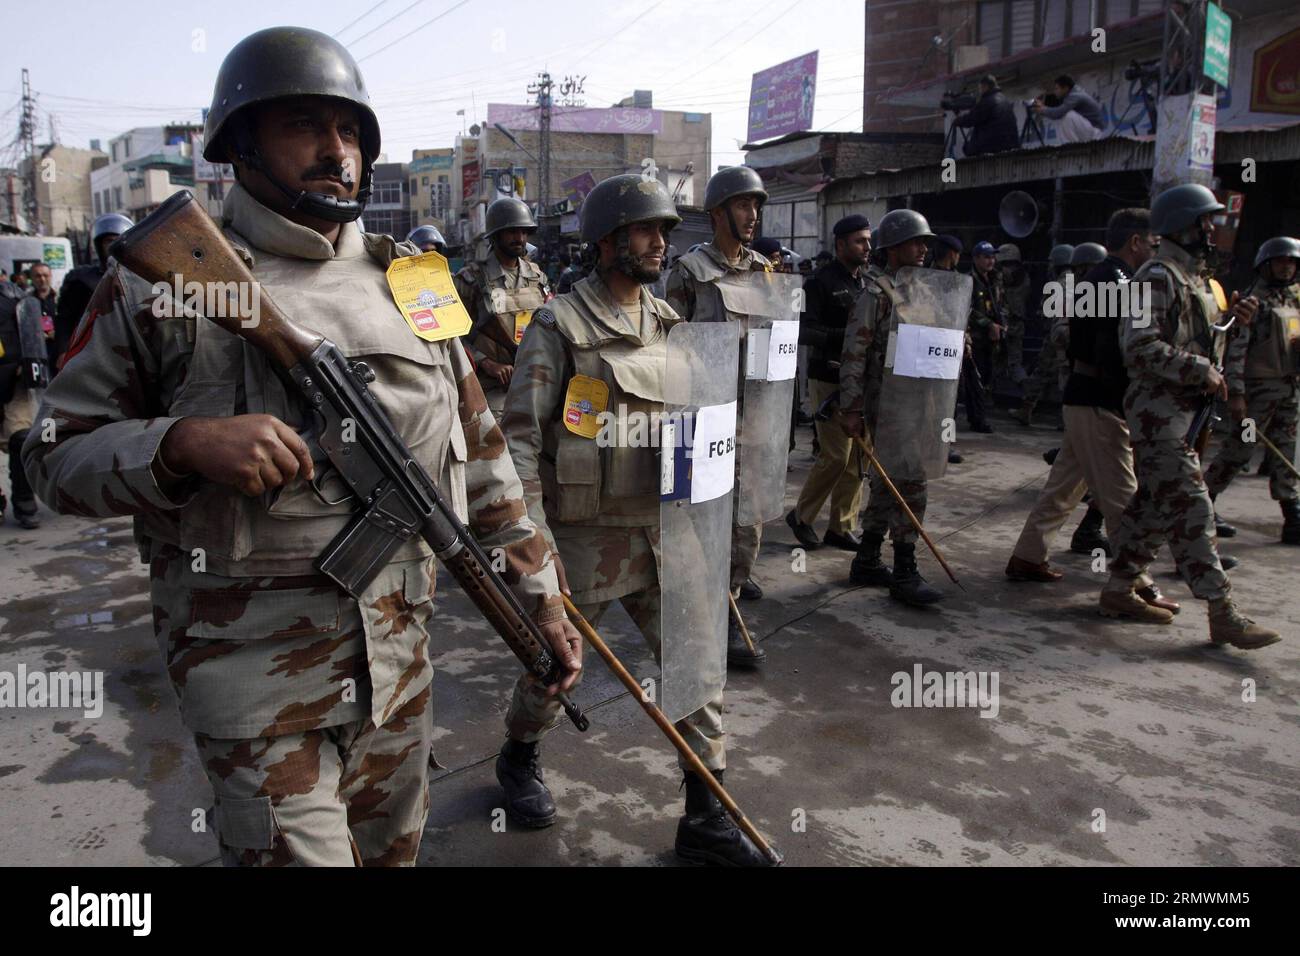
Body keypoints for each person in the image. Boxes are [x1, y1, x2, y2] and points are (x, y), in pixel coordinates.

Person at [22, 25, 580, 866]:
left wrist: (541, 593)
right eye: (303, 126)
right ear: (240, 144)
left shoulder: (416, 280)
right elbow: (52, 456)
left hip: (400, 677)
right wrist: (181, 445)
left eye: (350, 130)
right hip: (255, 688)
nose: (335, 151)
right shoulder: (156, 285)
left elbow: (486, 453)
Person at [494, 172, 775, 865]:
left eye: (664, 231)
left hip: (664, 531)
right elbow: (519, 444)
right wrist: (535, 544)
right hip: (585, 538)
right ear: (609, 240)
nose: (660, 243)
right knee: (554, 669)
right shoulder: (560, 326)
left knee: (696, 666)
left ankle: (705, 813)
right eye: (647, 230)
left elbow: (697, 429)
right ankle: (519, 754)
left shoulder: (671, 324)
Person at [1097, 184, 1278, 648]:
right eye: (1205, 221)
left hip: (1184, 412)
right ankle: (1223, 611)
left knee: (1154, 507)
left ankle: (1119, 588)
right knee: (1194, 506)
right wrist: (1201, 370)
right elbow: (1138, 346)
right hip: (1158, 416)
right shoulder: (1155, 277)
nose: (1212, 229)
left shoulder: (1191, 278)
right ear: (1184, 225)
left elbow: (1198, 337)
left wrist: (1235, 319)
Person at [1006, 209, 1175, 603]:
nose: (1155, 249)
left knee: (1062, 488)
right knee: (1123, 498)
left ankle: (1028, 557)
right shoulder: (1116, 283)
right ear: (1135, 241)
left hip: (1085, 396)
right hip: (1100, 401)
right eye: (1152, 242)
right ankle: (1137, 585)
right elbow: (1113, 352)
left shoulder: (1101, 278)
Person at [665, 166, 773, 666]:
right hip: (705, 421)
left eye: (756, 206)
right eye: (742, 205)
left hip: (755, 419)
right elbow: (668, 348)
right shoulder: (689, 272)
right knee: (705, 521)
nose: (752, 215)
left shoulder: (764, 272)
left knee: (747, 524)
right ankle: (714, 616)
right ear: (717, 213)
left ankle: (729, 590)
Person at [840, 209, 943, 606]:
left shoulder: (927, 292)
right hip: (890, 408)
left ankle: (867, 558)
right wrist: (851, 409)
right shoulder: (876, 293)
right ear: (893, 247)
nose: (922, 249)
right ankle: (904, 570)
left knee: (886, 482)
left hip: (923, 403)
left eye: (924, 242)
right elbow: (854, 354)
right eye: (915, 242)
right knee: (911, 483)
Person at [1203, 236, 1300, 544]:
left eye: (1292, 262)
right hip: (1257, 392)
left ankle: (1292, 515)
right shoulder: (1252, 302)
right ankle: (1204, 504)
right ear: (1266, 264)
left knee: (1286, 448)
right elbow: (1237, 349)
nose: (1287, 267)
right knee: (1239, 449)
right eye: (1281, 261)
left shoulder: (1295, 299)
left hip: (1288, 389)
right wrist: (1238, 395)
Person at [786, 214, 871, 551]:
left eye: (867, 240)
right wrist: (850, 338)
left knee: (857, 458)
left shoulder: (865, 282)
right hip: (828, 380)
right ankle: (802, 517)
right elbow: (805, 331)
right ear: (840, 245)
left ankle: (842, 526)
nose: (867, 247)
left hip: (860, 381)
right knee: (836, 455)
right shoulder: (818, 283)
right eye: (859, 241)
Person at [454, 197, 551, 415]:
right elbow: (453, 336)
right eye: (512, 232)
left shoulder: (536, 277)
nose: (520, 238)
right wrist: (487, 363)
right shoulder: (471, 279)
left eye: (524, 232)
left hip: (534, 383)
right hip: (491, 388)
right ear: (496, 235)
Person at [57, 213, 134, 369]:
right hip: (91, 352)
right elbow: (65, 319)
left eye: (119, 240)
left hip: (130, 352)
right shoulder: (81, 280)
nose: (114, 245)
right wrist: (62, 351)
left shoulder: (140, 277)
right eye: (109, 241)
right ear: (99, 245)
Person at [1015, 243, 1074, 426]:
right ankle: (1068, 419)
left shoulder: (1058, 284)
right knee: (1069, 375)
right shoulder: (1081, 282)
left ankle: (1026, 410)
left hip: (1055, 335)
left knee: (1042, 373)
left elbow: (1045, 312)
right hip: (1073, 335)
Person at [968, 241, 1005, 393]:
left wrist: (1003, 323)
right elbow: (968, 309)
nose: (991, 261)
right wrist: (989, 324)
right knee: (977, 373)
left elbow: (1002, 302)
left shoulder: (995, 279)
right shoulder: (969, 280)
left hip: (994, 335)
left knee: (992, 369)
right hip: (977, 336)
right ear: (976, 259)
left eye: (992, 257)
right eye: (986, 257)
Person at [952, 74, 1020, 156]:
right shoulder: (1005, 100)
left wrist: (958, 121)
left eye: (981, 88)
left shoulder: (987, 101)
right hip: (1011, 145)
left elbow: (971, 119)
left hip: (992, 146)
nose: (980, 91)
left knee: (967, 148)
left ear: (985, 86)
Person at [1033, 75, 1105, 143]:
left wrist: (1043, 109)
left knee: (1067, 115)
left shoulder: (1075, 96)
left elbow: (1057, 113)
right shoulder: (1071, 94)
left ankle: (1070, 146)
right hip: (1088, 129)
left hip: (1095, 132)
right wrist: (1043, 104)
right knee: (1062, 116)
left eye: (1057, 89)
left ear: (1066, 88)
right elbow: (1057, 106)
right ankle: (1070, 145)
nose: (1055, 92)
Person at [996, 243, 1029, 384]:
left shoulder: (1003, 276)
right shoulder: (1024, 276)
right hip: (1016, 323)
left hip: (1004, 323)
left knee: (999, 361)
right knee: (1014, 362)